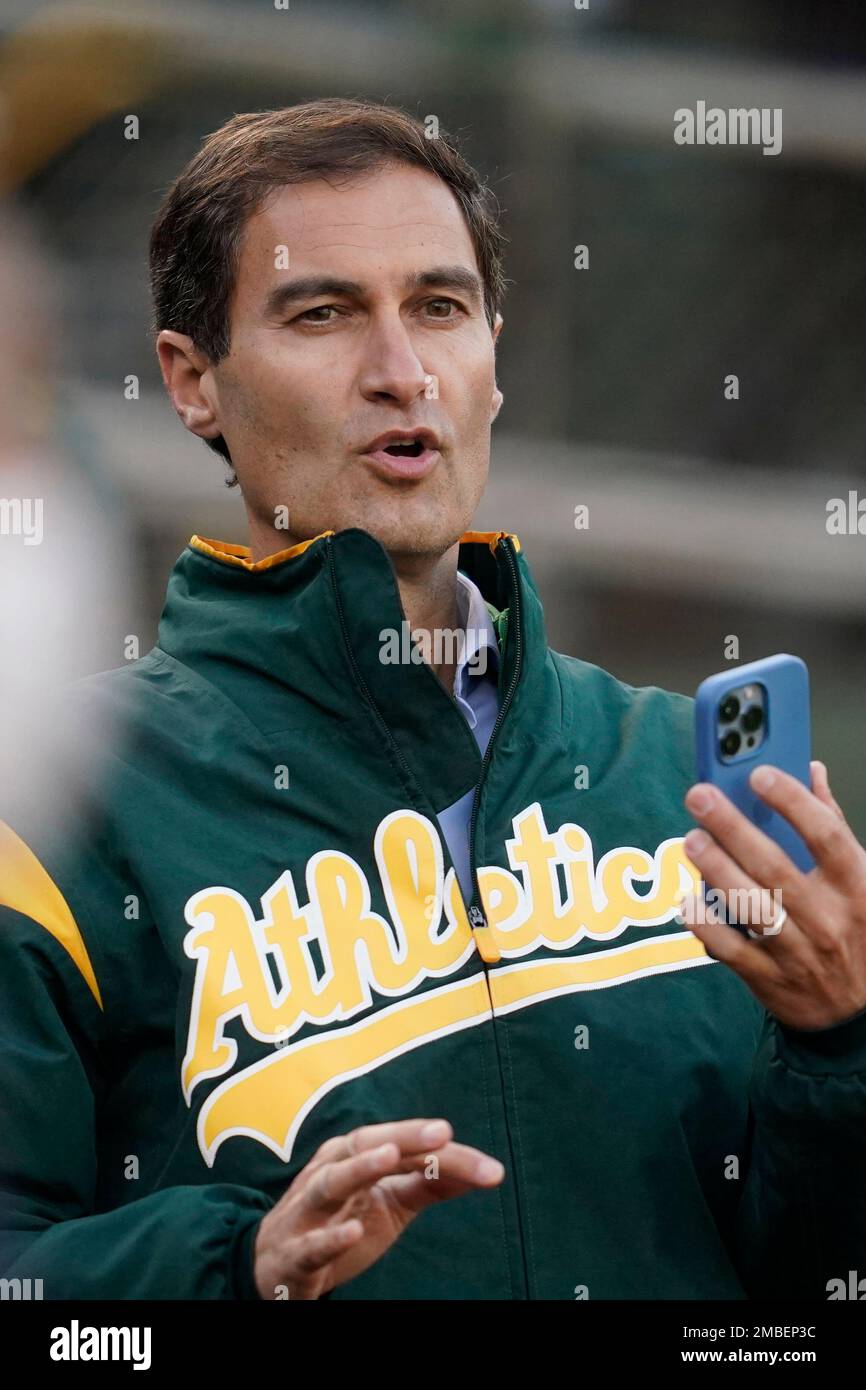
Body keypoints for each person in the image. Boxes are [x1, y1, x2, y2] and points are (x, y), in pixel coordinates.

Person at [2, 98, 865, 1302]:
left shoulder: (683, 778)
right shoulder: (53, 808)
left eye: (440, 308)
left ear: (492, 359)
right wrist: (232, 1270)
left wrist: (840, 1046)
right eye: (323, 313)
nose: (400, 373)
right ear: (191, 381)